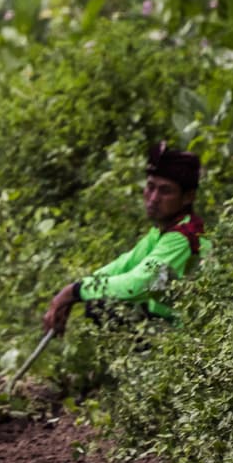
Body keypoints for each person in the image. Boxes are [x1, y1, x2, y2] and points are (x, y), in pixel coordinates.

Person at [42, 143, 208, 335]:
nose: (153, 198)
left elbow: (137, 285)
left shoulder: (183, 237)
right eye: (150, 187)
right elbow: (124, 265)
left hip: (189, 339)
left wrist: (76, 291)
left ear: (188, 197)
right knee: (100, 302)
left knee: (105, 307)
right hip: (169, 329)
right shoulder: (163, 231)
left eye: (165, 191)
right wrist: (72, 291)